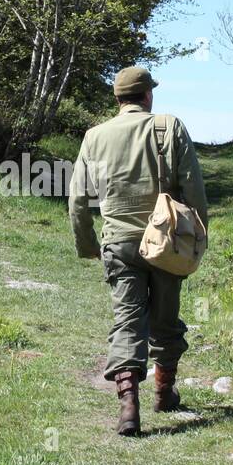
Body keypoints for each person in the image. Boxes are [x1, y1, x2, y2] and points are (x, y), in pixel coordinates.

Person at [68, 66, 209, 436]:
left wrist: (88, 244)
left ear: (117, 99)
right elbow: (193, 189)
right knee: (165, 319)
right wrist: (198, 238)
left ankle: (129, 404)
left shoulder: (94, 137)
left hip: (118, 242)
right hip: (166, 242)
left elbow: (78, 199)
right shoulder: (168, 127)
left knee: (127, 321)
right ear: (147, 95)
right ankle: (164, 392)